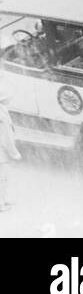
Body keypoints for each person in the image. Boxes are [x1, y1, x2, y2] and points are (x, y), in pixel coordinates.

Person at [0, 82, 20, 212]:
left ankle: (2, 200)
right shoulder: (2, 114)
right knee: (2, 178)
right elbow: (6, 137)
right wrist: (14, 153)